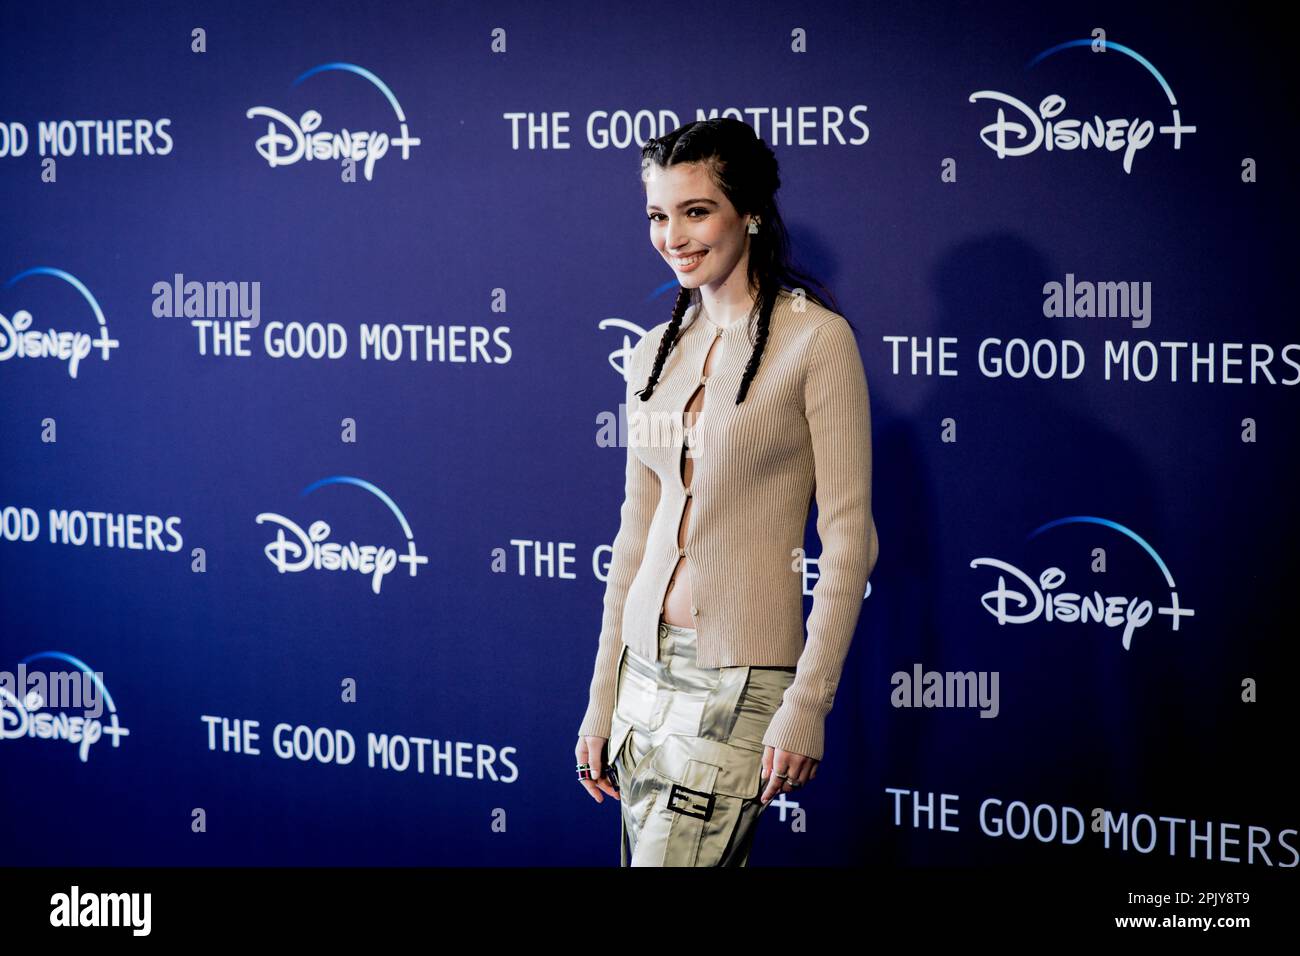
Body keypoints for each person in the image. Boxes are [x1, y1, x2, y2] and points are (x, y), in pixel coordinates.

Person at [575, 117, 879, 866]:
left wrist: (806, 703)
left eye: (696, 211)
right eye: (657, 215)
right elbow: (634, 537)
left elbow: (848, 541)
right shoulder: (650, 354)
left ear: (748, 211)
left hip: (737, 687)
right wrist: (600, 697)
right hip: (640, 674)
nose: (673, 236)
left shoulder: (817, 342)